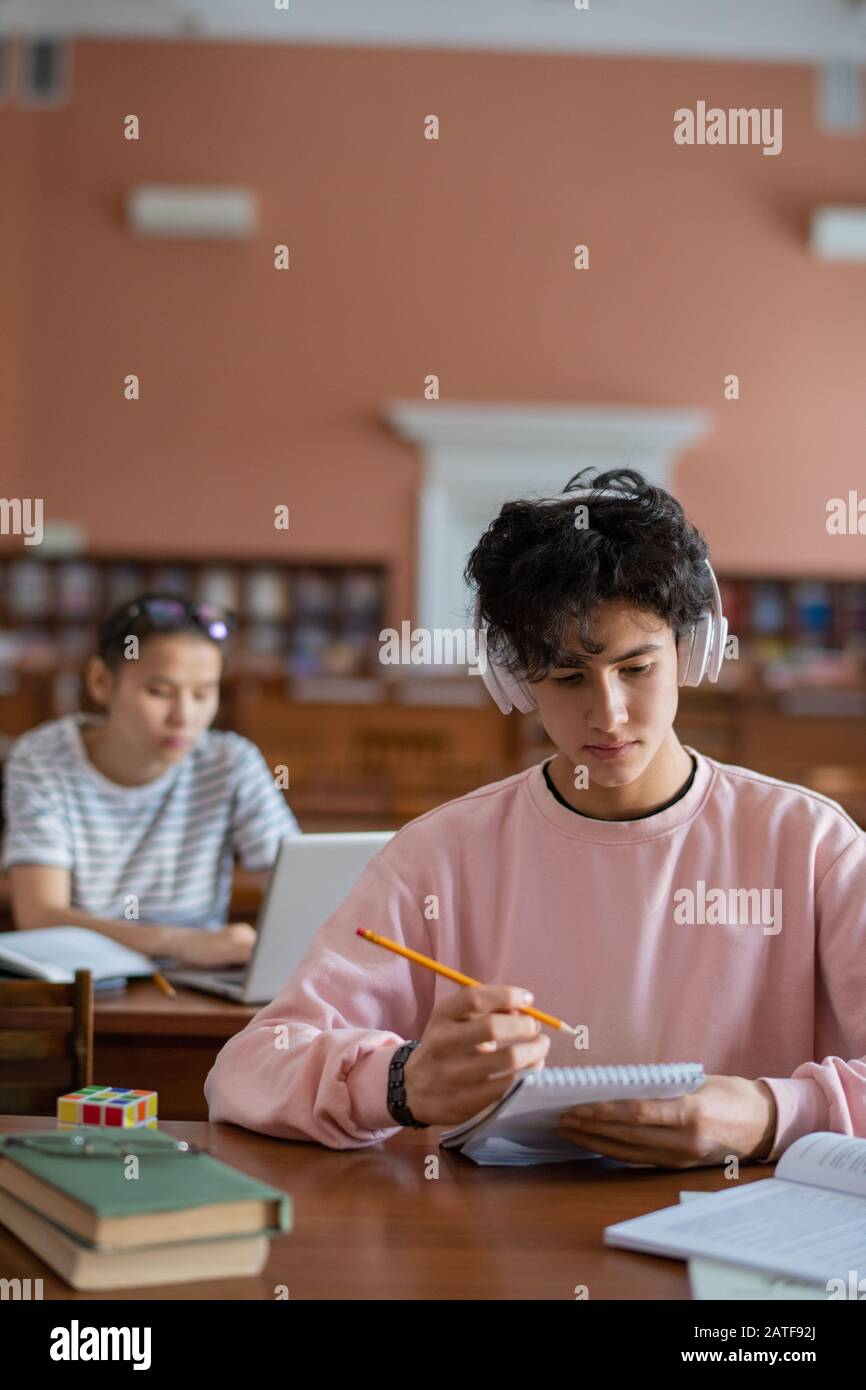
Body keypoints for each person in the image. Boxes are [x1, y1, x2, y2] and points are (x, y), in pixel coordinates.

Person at [205, 470, 866, 1166]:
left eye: (636, 669)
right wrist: (401, 1083)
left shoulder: (813, 846)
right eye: (568, 678)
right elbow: (245, 1072)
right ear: (516, 679)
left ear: (690, 652)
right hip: (507, 1254)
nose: (608, 715)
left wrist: (772, 1114)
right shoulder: (439, 856)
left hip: (741, 1241)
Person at [2, 594, 300, 967]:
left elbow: (296, 891)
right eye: (159, 692)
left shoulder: (231, 762)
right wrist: (179, 942)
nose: (184, 716)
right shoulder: (42, 758)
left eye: (203, 693)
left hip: (199, 984)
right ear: (100, 682)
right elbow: (40, 915)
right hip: (87, 984)